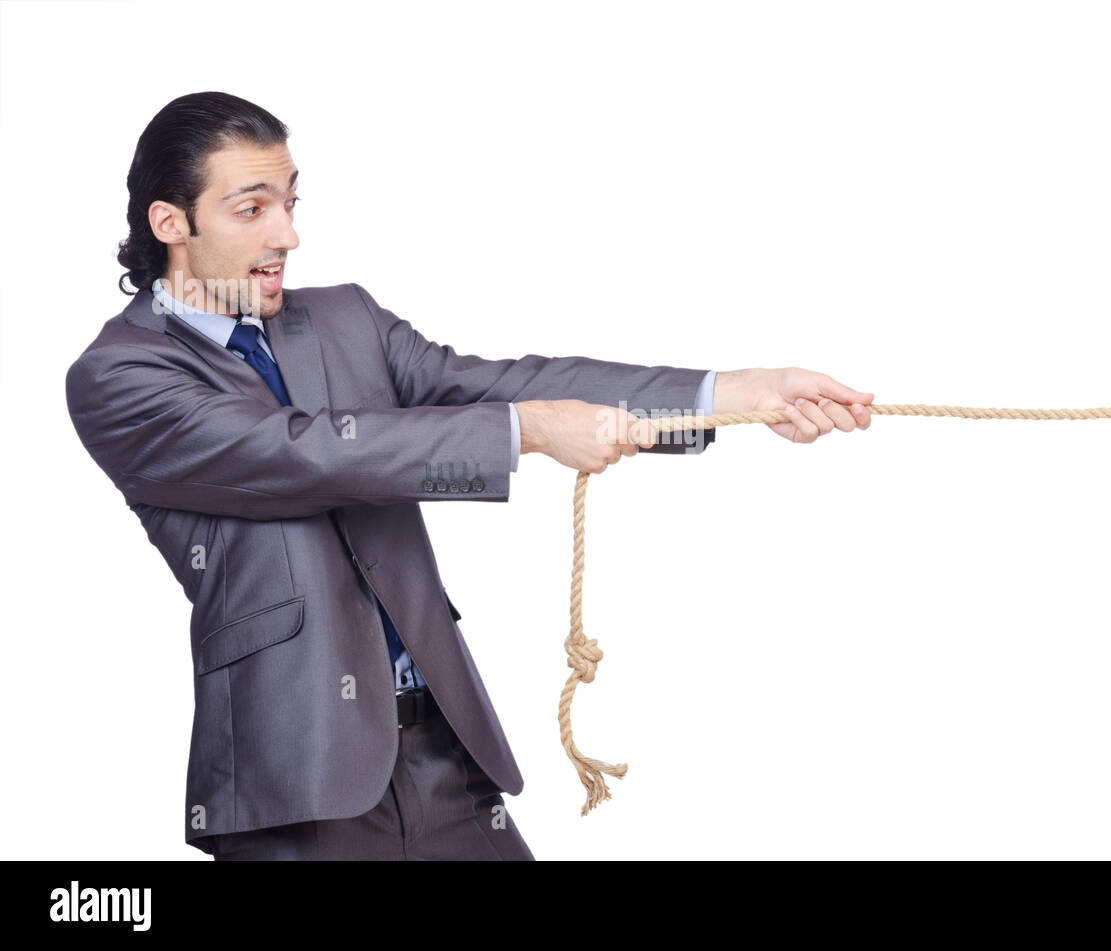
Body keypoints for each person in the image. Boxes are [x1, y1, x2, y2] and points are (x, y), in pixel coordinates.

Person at [64, 91, 874, 860]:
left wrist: (728, 393)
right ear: (170, 221)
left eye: (291, 201)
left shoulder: (346, 318)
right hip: (297, 781)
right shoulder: (119, 374)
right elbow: (301, 452)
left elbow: (498, 384)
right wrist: (529, 434)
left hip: (444, 751)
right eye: (251, 209)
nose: (288, 236)